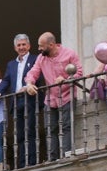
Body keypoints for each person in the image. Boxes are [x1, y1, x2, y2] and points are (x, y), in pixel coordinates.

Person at [24, 32, 82, 160]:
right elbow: (33, 72)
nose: (39, 48)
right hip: (50, 99)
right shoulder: (41, 58)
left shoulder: (69, 53)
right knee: (50, 129)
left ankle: (67, 155)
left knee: (67, 126)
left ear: (51, 45)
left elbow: (79, 72)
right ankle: (52, 158)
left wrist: (66, 79)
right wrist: (29, 84)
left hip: (67, 96)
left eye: (41, 46)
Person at [0, 34, 41, 168]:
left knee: (30, 130)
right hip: (17, 101)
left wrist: (27, 86)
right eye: (19, 45)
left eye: (24, 44)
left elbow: (38, 76)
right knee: (20, 133)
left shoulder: (35, 59)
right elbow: (6, 80)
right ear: (15, 48)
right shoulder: (11, 64)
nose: (21, 47)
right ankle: (22, 162)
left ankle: (31, 161)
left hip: (30, 98)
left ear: (29, 46)